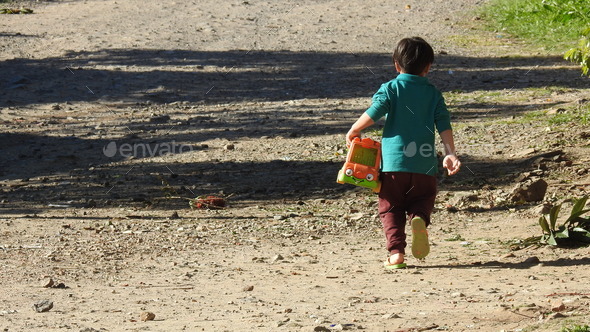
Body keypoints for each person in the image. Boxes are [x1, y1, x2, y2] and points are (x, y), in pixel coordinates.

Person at [345, 37, 461, 269]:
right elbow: (444, 124)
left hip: (394, 167)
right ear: (428, 67)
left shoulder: (391, 88)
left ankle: (397, 253)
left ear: (396, 65)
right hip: (424, 167)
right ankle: (418, 218)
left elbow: (375, 111)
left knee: (391, 207)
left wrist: (355, 129)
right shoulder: (434, 94)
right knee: (422, 199)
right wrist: (450, 153)